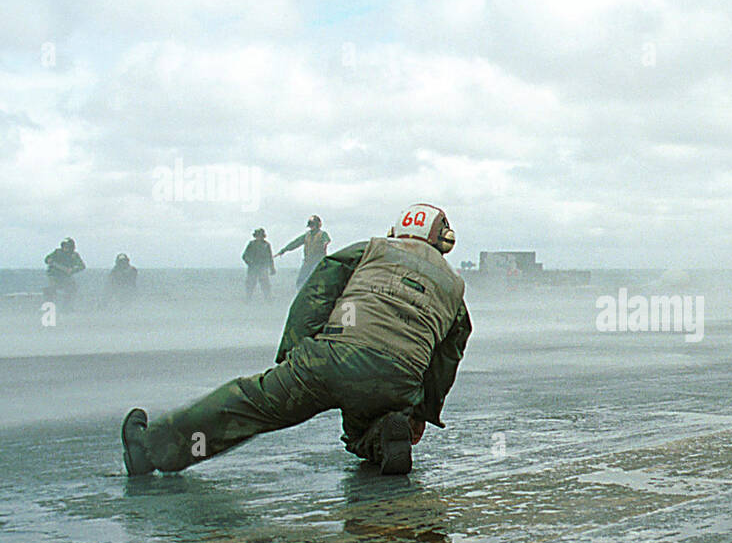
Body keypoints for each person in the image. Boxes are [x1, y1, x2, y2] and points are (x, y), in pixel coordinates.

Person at [121, 204, 471, 477]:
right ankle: (384, 439)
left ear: (397, 231)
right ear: (444, 240)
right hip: (398, 378)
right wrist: (421, 413)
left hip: (330, 359)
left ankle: (149, 451)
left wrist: (292, 353)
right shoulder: (455, 287)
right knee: (363, 428)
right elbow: (447, 358)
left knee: (250, 404)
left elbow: (316, 294)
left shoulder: (370, 249)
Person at [277, 215, 330, 288]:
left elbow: (326, 240)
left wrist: (325, 243)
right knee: (300, 281)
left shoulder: (322, 234)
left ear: (318, 225)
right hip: (308, 261)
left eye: (313, 225)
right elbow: (295, 243)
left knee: (318, 280)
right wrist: (284, 250)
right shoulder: (307, 235)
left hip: (319, 262)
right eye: (311, 225)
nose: (312, 227)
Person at [44, 237, 86, 308]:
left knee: (72, 288)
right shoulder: (57, 252)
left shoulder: (74, 255)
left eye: (68, 246)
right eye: (64, 246)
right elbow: (47, 259)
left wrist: (72, 270)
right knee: (52, 289)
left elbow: (82, 266)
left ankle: (67, 307)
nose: (65, 248)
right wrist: (49, 260)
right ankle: (49, 305)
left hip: (66, 276)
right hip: (54, 275)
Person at [242, 227, 275, 301]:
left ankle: (268, 299)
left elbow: (270, 257)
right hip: (252, 268)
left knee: (265, 284)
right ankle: (248, 299)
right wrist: (250, 263)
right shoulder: (251, 244)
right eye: (258, 235)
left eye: (260, 236)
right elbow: (244, 256)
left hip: (263, 268)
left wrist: (272, 268)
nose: (259, 237)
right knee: (250, 284)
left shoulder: (266, 245)